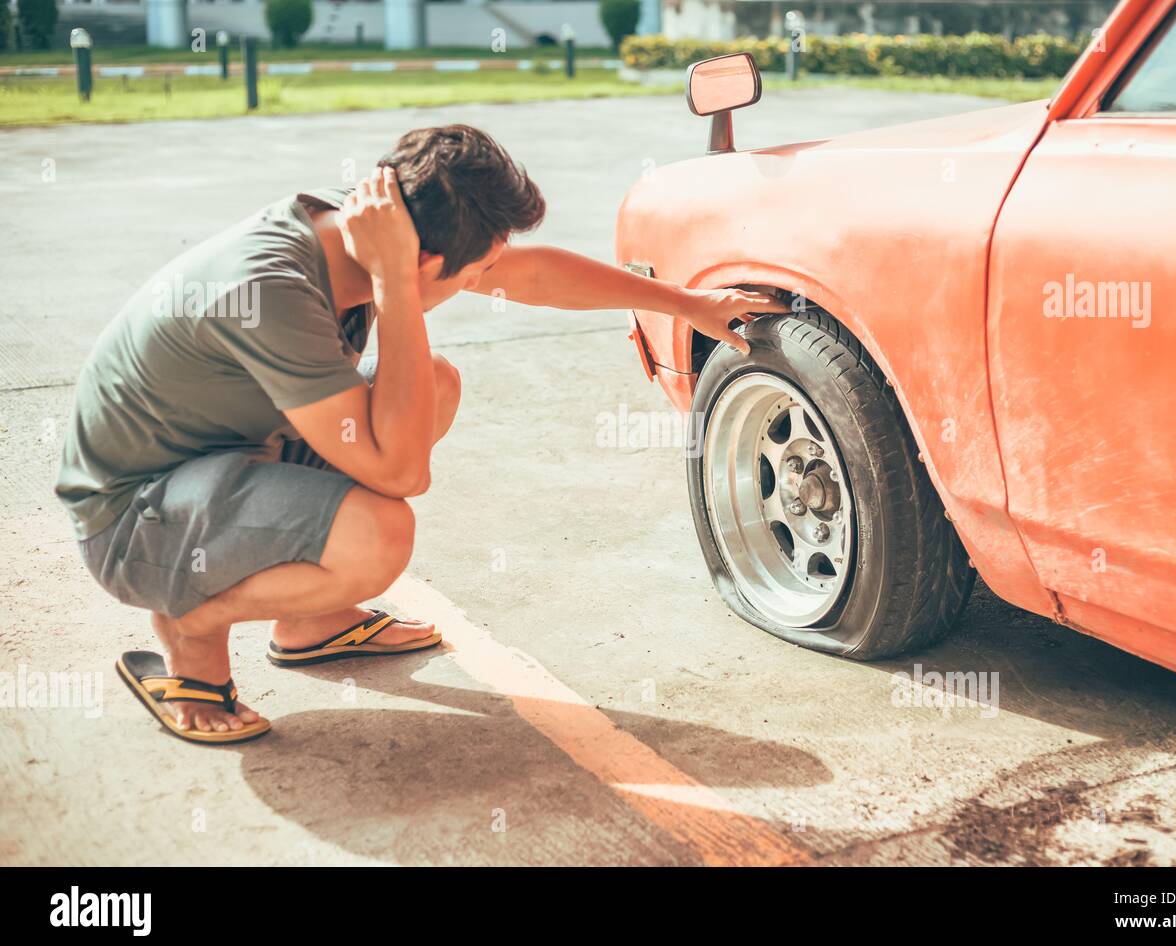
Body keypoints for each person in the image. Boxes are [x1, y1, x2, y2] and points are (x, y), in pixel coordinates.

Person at [56, 124, 788, 744]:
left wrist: (686, 303)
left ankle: (311, 623)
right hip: (133, 517)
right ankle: (192, 640)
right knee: (378, 533)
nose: (494, 276)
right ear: (424, 263)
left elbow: (528, 276)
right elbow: (399, 471)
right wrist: (398, 294)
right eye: (481, 267)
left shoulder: (357, 236)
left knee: (429, 382)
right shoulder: (275, 288)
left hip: (227, 461)